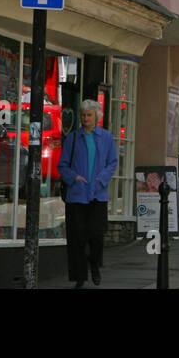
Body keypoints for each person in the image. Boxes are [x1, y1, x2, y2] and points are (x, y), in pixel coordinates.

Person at [59, 100, 119, 287]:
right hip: (77, 195)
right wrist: (74, 177)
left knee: (96, 235)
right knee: (77, 238)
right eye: (83, 115)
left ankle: (94, 263)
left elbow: (113, 162)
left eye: (89, 115)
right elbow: (62, 165)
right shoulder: (73, 138)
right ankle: (79, 277)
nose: (85, 119)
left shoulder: (106, 138)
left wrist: (101, 179)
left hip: (97, 194)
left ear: (97, 117)